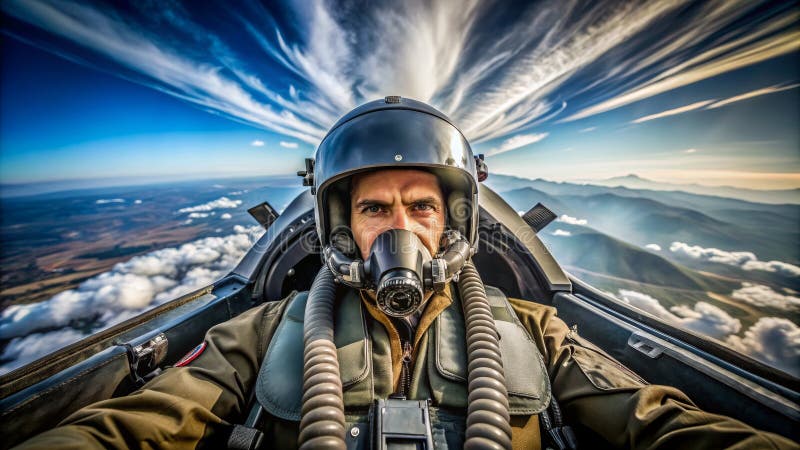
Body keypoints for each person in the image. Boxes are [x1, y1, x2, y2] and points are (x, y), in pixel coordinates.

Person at [14, 97, 796, 450]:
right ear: (341, 226)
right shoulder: (264, 331)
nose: (400, 227)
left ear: (451, 223)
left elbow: (655, 421)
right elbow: (139, 424)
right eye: (375, 209)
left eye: (422, 207)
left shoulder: (533, 332)